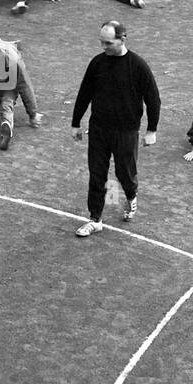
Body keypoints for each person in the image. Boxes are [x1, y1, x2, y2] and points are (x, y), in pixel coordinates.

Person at [70, 20, 160, 235]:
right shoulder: (97, 63)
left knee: (125, 173)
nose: (103, 47)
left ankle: (131, 196)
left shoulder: (138, 66)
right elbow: (85, 93)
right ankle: (95, 218)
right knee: (97, 174)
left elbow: (153, 99)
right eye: (101, 42)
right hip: (99, 128)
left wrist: (151, 130)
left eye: (108, 43)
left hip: (126, 131)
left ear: (122, 39)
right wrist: (76, 123)